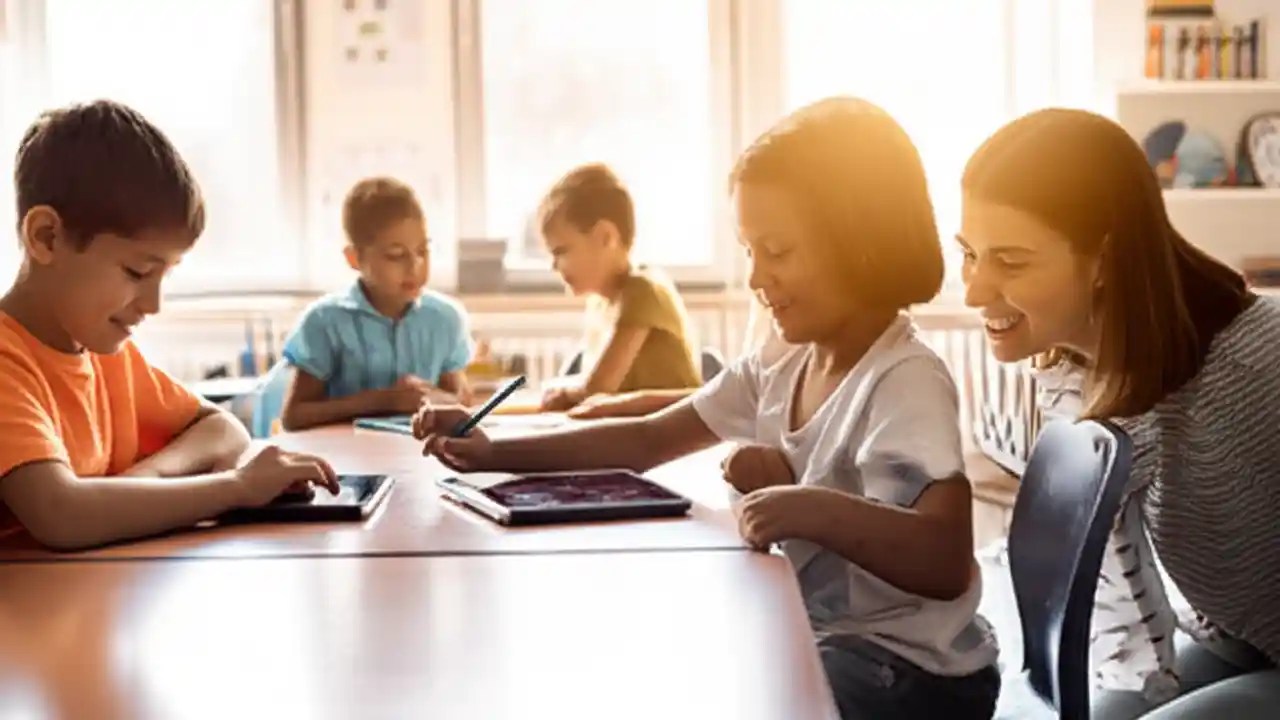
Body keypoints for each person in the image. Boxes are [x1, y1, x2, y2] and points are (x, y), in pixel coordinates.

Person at [415, 98, 1000, 720]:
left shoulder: (904, 379)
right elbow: (643, 440)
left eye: (777, 251)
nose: (755, 278)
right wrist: (491, 450)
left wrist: (809, 506)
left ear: (862, 245)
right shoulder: (784, 359)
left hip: (915, 671)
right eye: (750, 250)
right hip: (834, 640)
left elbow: (943, 560)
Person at [958, 107, 1280, 716]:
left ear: (1103, 259)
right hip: (1243, 642)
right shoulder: (1084, 378)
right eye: (970, 253)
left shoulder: (1230, 390)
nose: (973, 289)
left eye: (1011, 260)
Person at [0, 100, 337, 550]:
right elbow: (63, 515)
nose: (154, 304)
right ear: (46, 237)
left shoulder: (104, 356)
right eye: (138, 273)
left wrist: (145, 482)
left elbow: (223, 430)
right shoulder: (8, 361)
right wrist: (236, 489)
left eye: (166, 275)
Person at [279, 177, 474, 431]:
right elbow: (294, 417)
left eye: (423, 251)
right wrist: (381, 401)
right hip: (346, 461)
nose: (415, 267)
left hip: (421, 458)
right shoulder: (324, 321)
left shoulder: (445, 318)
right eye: (396, 255)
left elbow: (462, 401)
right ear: (354, 258)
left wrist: (434, 397)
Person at [535, 163, 702, 412]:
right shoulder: (600, 304)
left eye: (561, 251)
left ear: (605, 237)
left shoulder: (642, 290)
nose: (554, 266)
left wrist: (563, 392)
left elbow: (598, 388)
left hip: (671, 436)